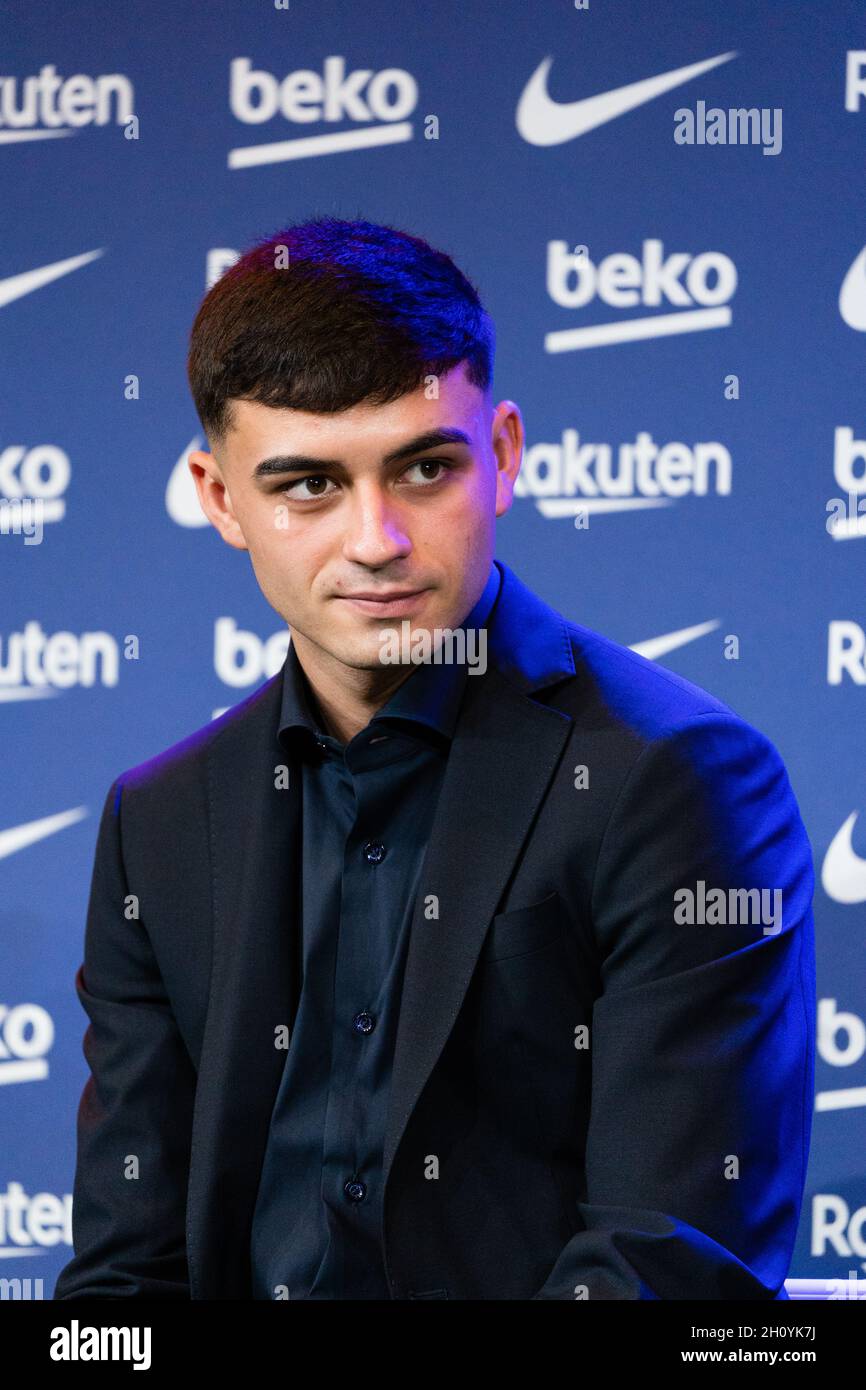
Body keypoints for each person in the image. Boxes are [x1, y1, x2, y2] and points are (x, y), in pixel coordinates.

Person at [54, 216, 815, 1300]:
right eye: (307, 485)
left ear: (500, 455)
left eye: (422, 468)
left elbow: (668, 1260)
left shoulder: (675, 778)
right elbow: (125, 1275)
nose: (377, 540)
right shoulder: (160, 822)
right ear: (220, 498)